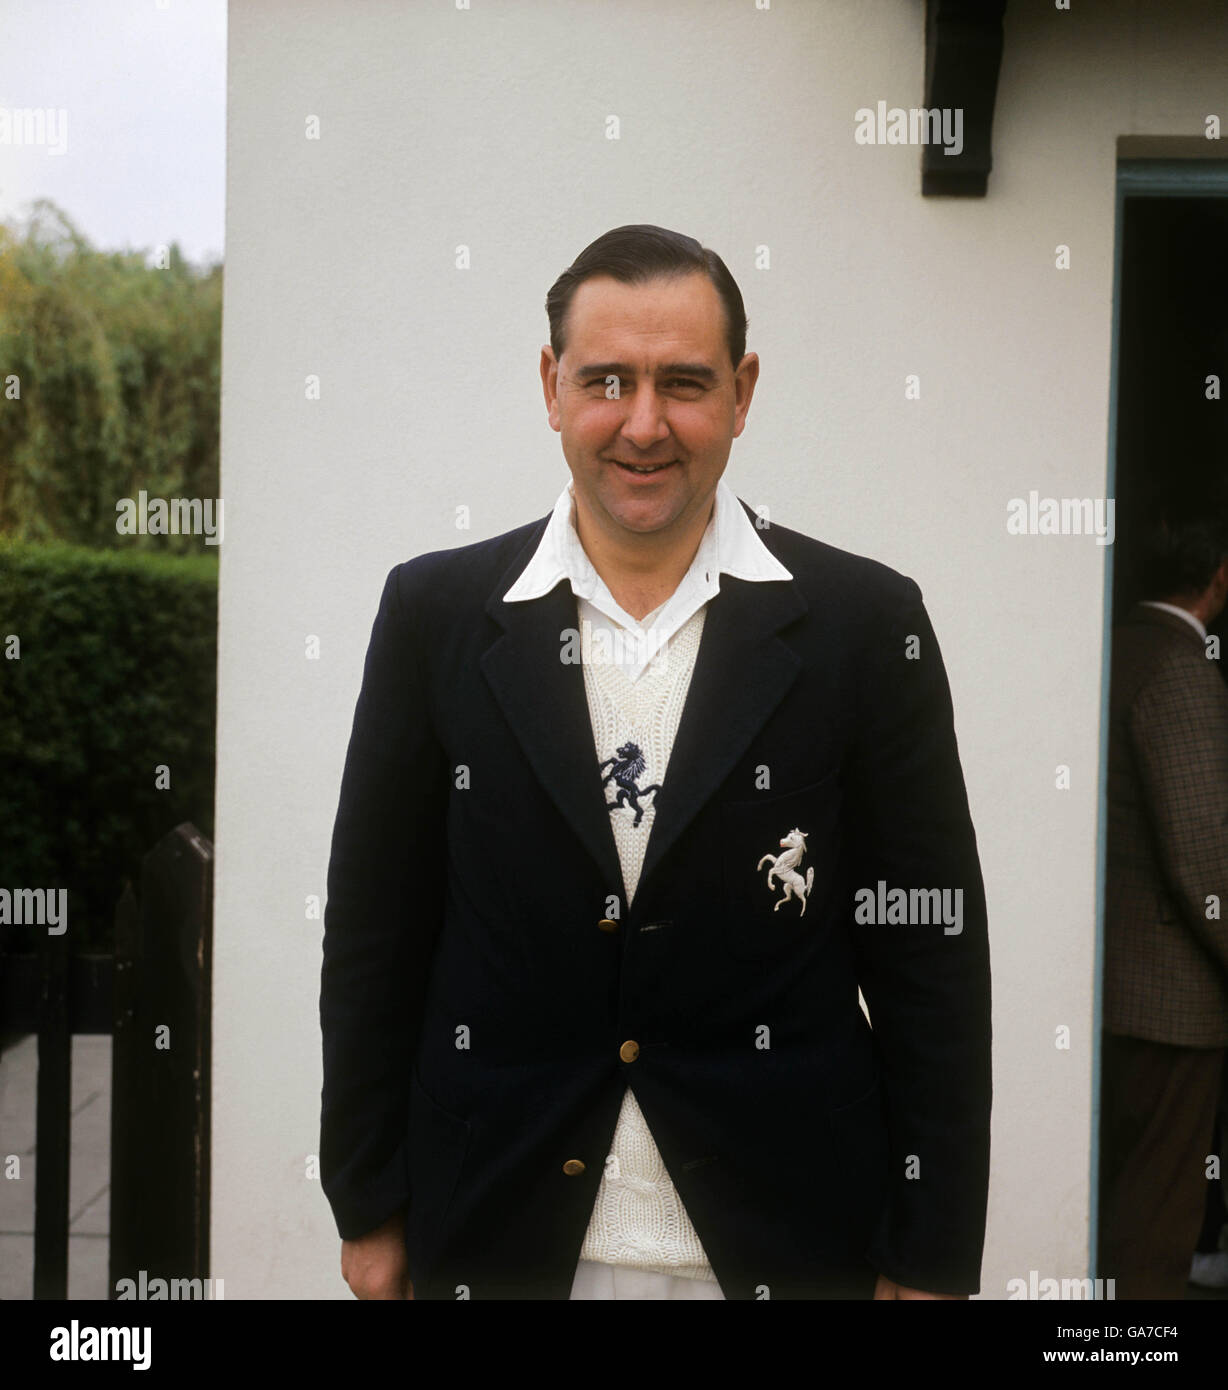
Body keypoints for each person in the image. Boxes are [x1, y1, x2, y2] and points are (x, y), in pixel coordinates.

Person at [319, 224, 992, 1301]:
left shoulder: (865, 625)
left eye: (684, 383)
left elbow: (930, 965)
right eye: (606, 380)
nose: (643, 424)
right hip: (500, 1227)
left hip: (788, 1236)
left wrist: (931, 1250)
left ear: (741, 390)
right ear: (551, 386)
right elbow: (373, 934)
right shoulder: (433, 614)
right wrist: (366, 1200)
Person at [1099, 504, 1228, 1299]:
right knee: (1154, 1227)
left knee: (1120, 1209)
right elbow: (1208, 859)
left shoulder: (1120, 646)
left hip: (1120, 996)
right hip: (1172, 1007)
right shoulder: (1179, 667)